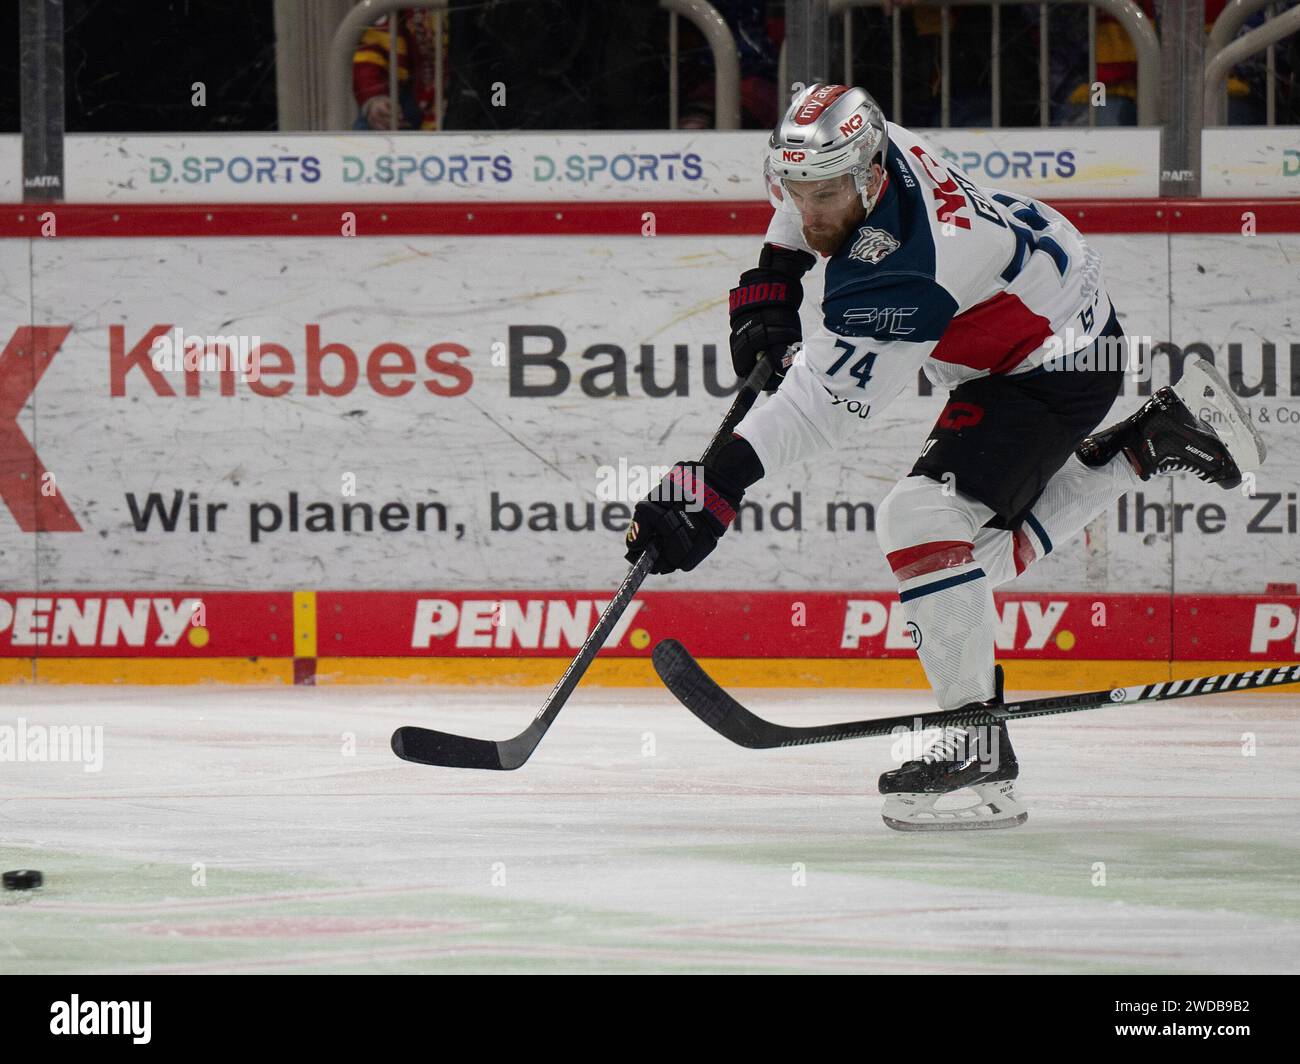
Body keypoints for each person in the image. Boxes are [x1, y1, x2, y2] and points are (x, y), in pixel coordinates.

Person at [622, 84, 1265, 832]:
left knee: (919, 520)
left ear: (865, 178)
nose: (810, 211)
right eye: (795, 191)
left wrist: (715, 487)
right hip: (1031, 316)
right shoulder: (870, 146)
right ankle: (1147, 446)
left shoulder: (905, 276)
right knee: (954, 570)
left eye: (825, 196)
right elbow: (812, 194)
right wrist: (775, 274)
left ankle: (978, 749)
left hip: (1051, 365)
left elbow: (822, 409)